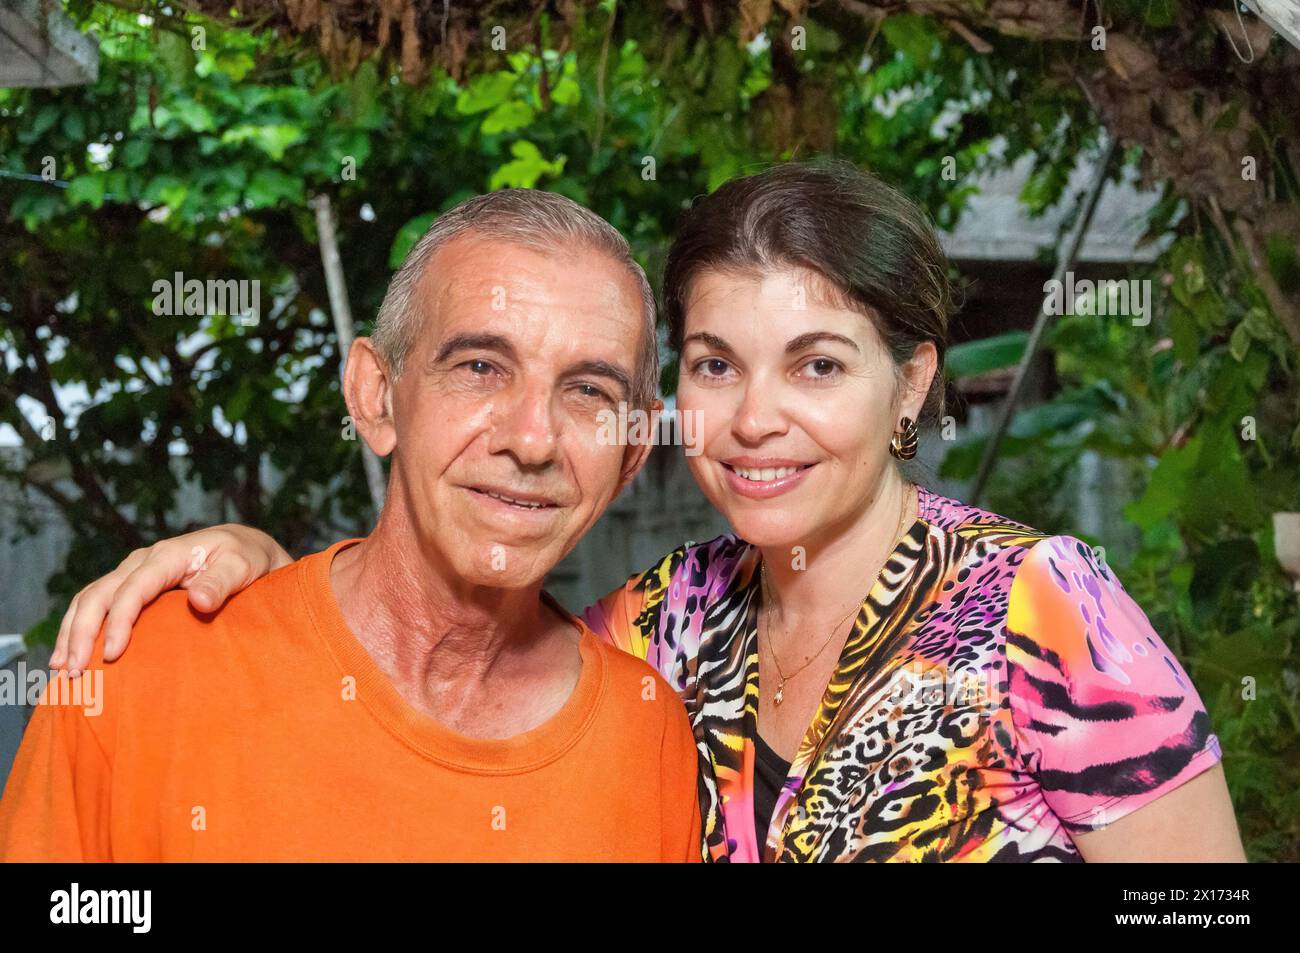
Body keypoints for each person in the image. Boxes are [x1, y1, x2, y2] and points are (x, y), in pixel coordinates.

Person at [42, 162, 1244, 862]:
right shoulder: (661, 630)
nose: (757, 416)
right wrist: (253, 573)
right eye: (717, 364)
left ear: (912, 386)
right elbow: (429, 627)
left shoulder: (1042, 606)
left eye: (817, 365)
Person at [0, 189, 702, 862]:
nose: (531, 439)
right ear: (374, 397)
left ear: (633, 451)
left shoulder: (647, 736)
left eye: (587, 391)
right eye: (481, 366)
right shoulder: (140, 668)